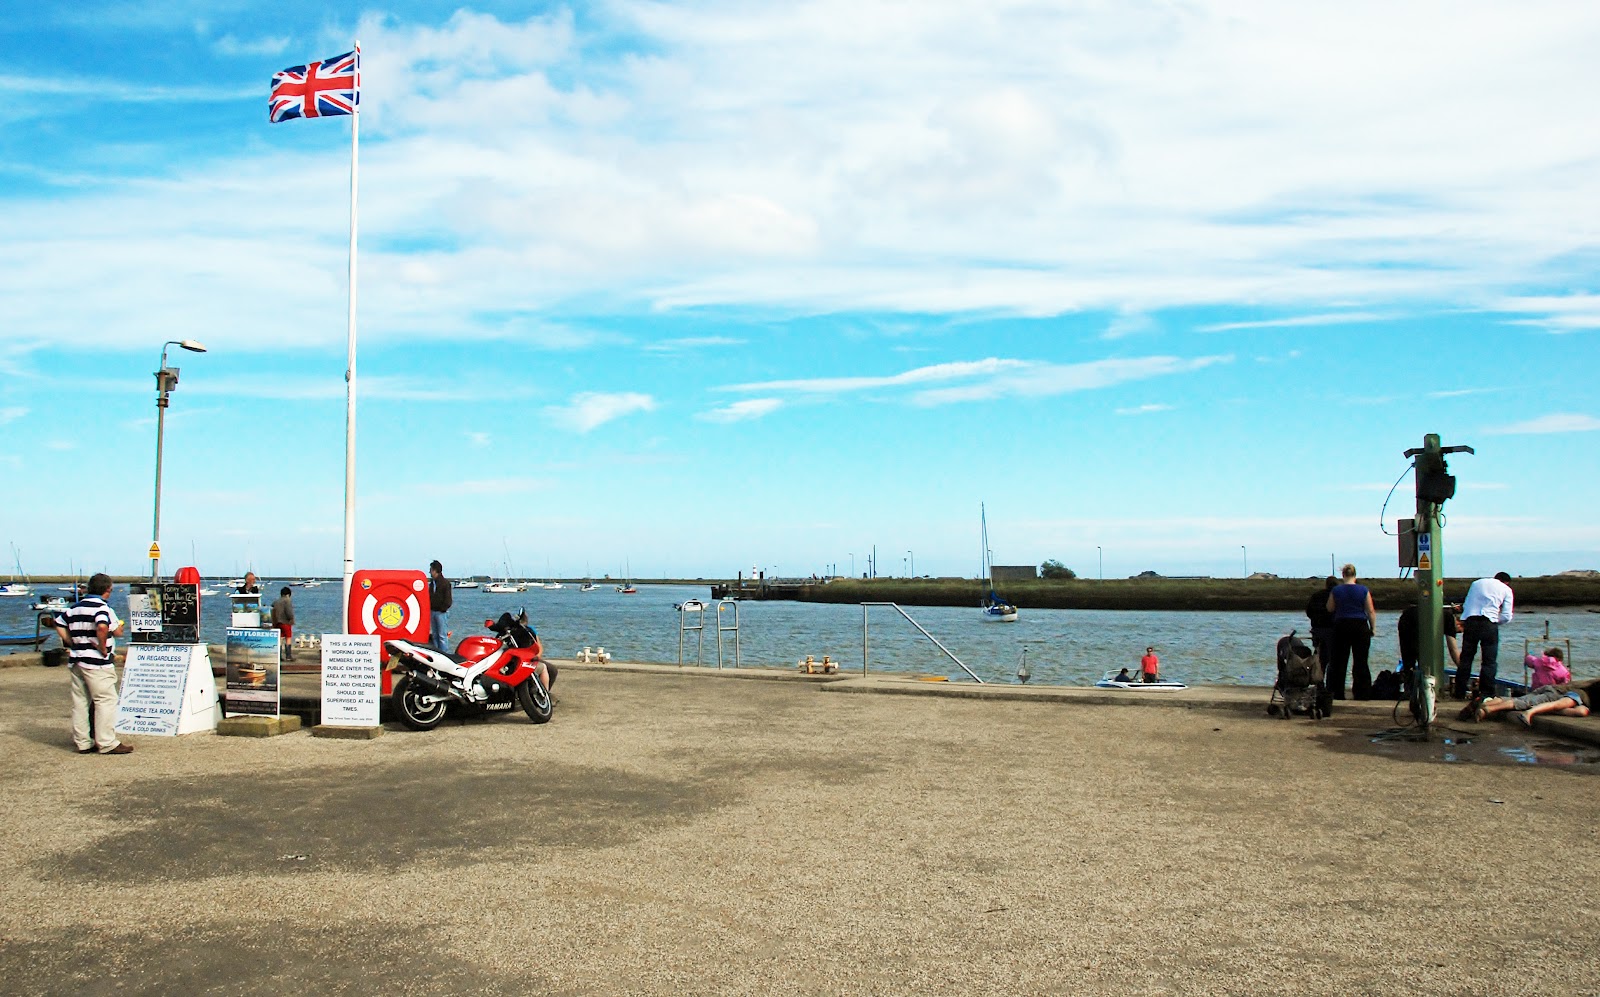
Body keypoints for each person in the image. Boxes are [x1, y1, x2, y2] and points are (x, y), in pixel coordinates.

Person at [51, 573, 131, 755]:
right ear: (107, 591)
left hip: (77, 659)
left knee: (80, 701)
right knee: (106, 700)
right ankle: (106, 742)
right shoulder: (103, 608)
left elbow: (59, 622)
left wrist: (71, 642)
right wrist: (103, 647)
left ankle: (83, 742)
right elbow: (104, 627)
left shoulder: (75, 608)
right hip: (97, 662)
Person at [1454, 572, 1514, 699]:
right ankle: (1486, 693)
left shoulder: (1476, 583)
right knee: (1489, 661)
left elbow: (1467, 604)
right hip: (1489, 624)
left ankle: (1459, 692)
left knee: (1466, 658)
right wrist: (1495, 621)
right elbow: (1507, 616)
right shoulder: (1506, 589)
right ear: (1506, 582)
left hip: (1471, 622)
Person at [1326, 563, 1377, 700]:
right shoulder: (1363, 590)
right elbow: (1370, 610)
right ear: (1355, 575)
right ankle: (1362, 693)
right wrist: (1373, 628)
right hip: (1360, 625)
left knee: (1339, 661)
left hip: (1341, 625)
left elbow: (1330, 608)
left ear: (1343, 575)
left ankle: (1337, 693)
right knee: (1361, 661)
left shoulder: (1336, 590)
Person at [1474, 677, 1598, 726]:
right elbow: (1557, 704)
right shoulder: (1579, 695)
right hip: (1557, 693)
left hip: (1554, 688)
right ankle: (1489, 709)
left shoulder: (1589, 685)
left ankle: (1486, 702)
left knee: (1522, 700)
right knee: (1525, 703)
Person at [1304, 577, 1337, 668]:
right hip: (1333, 631)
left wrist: (1315, 620)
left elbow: (1309, 612)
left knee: (1319, 657)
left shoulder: (1316, 596)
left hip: (1317, 630)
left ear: (1326, 584)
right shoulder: (1338, 596)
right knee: (1334, 659)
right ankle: (1331, 680)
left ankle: (1318, 679)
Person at [428, 560, 453, 654]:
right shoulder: (432, 584)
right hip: (433, 611)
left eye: (431, 570)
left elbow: (448, 599)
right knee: (435, 635)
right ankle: (436, 653)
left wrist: (443, 608)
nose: (430, 572)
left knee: (442, 635)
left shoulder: (445, 583)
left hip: (441, 613)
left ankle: (444, 654)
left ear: (435, 570)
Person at [270, 586, 296, 661]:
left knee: (280, 639)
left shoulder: (276, 601)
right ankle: (288, 656)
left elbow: (272, 609)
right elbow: (289, 612)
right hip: (285, 622)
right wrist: (291, 618)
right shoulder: (287, 601)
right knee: (288, 638)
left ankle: (279, 656)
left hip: (276, 622)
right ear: (288, 594)